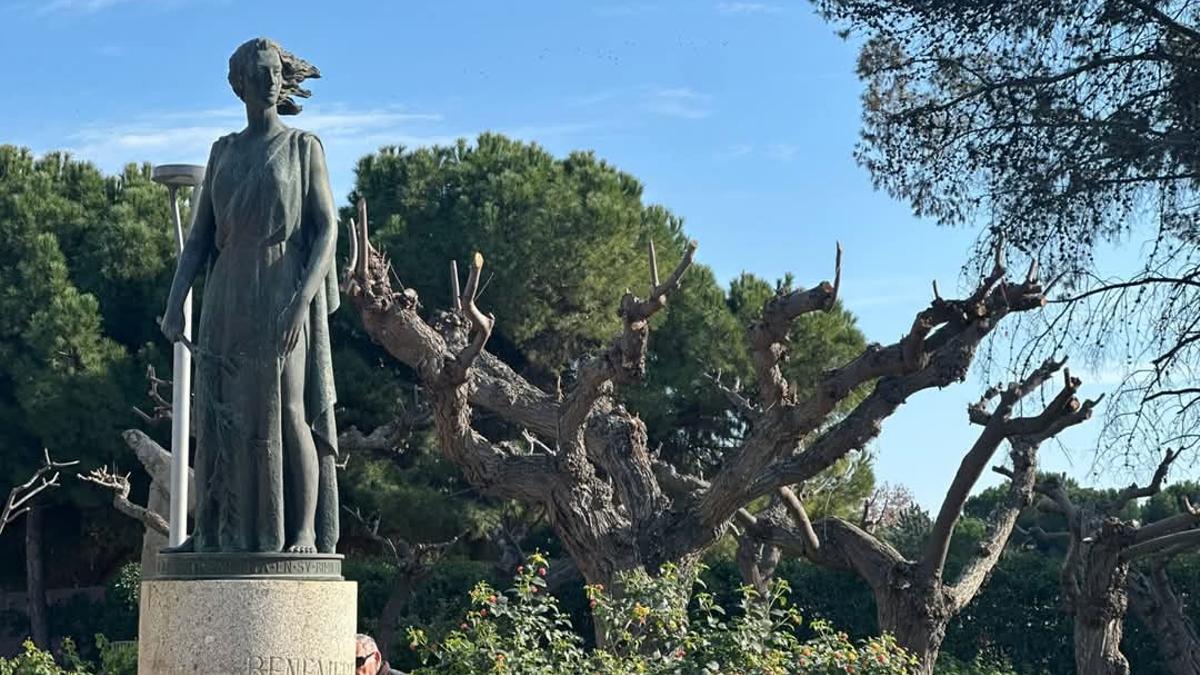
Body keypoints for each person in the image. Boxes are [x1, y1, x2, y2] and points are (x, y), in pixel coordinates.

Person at [160, 37, 340, 554]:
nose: (270, 80)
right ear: (239, 84)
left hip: (283, 289)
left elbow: (327, 230)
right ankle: (215, 531)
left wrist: (302, 301)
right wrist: (175, 305)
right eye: (259, 72)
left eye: (276, 71)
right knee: (218, 416)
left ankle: (302, 532)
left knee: (289, 410)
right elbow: (198, 239)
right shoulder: (223, 152)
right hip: (227, 293)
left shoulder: (304, 148)